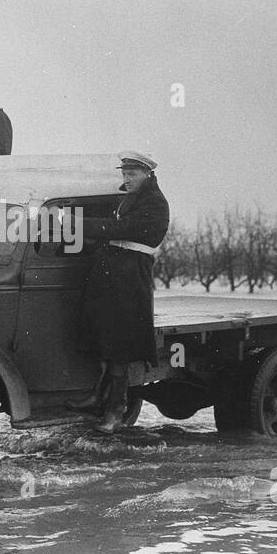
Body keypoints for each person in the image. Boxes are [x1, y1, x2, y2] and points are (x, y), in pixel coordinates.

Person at [68, 152, 170, 433]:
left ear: (148, 174)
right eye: (124, 173)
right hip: (114, 275)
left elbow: (122, 228)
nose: (127, 178)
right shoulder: (129, 199)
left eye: (133, 174)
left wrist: (76, 224)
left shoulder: (155, 203)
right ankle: (97, 397)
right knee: (103, 339)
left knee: (119, 348)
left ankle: (115, 410)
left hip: (131, 278)